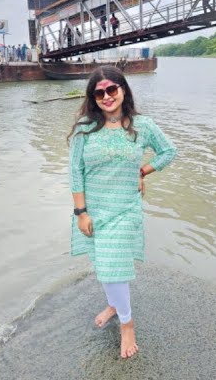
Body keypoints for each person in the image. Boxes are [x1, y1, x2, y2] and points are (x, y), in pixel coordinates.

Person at [69, 66, 177, 360]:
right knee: (104, 265)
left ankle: (127, 325)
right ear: (93, 97)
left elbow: (168, 152)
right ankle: (114, 306)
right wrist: (81, 212)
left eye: (111, 89)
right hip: (95, 209)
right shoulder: (84, 128)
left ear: (123, 89)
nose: (106, 97)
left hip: (125, 208)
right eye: (99, 93)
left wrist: (142, 171)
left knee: (112, 265)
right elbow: (75, 171)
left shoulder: (143, 126)